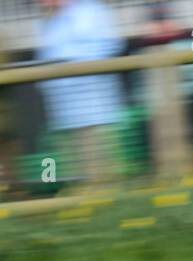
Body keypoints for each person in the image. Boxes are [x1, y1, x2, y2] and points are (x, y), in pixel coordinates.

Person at [36, 0, 126, 185]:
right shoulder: (52, 20)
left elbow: (105, 46)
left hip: (93, 111)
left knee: (100, 178)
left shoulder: (89, 11)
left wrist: (65, 69)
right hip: (66, 115)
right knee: (78, 179)